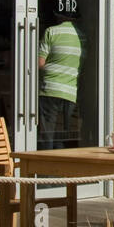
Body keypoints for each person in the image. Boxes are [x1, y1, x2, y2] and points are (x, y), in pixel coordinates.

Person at [38, 9, 83, 149]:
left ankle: (45, 169)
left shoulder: (51, 31)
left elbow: (40, 63)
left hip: (50, 90)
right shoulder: (82, 37)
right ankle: (60, 167)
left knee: (47, 134)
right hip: (70, 92)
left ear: (59, 18)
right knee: (63, 134)